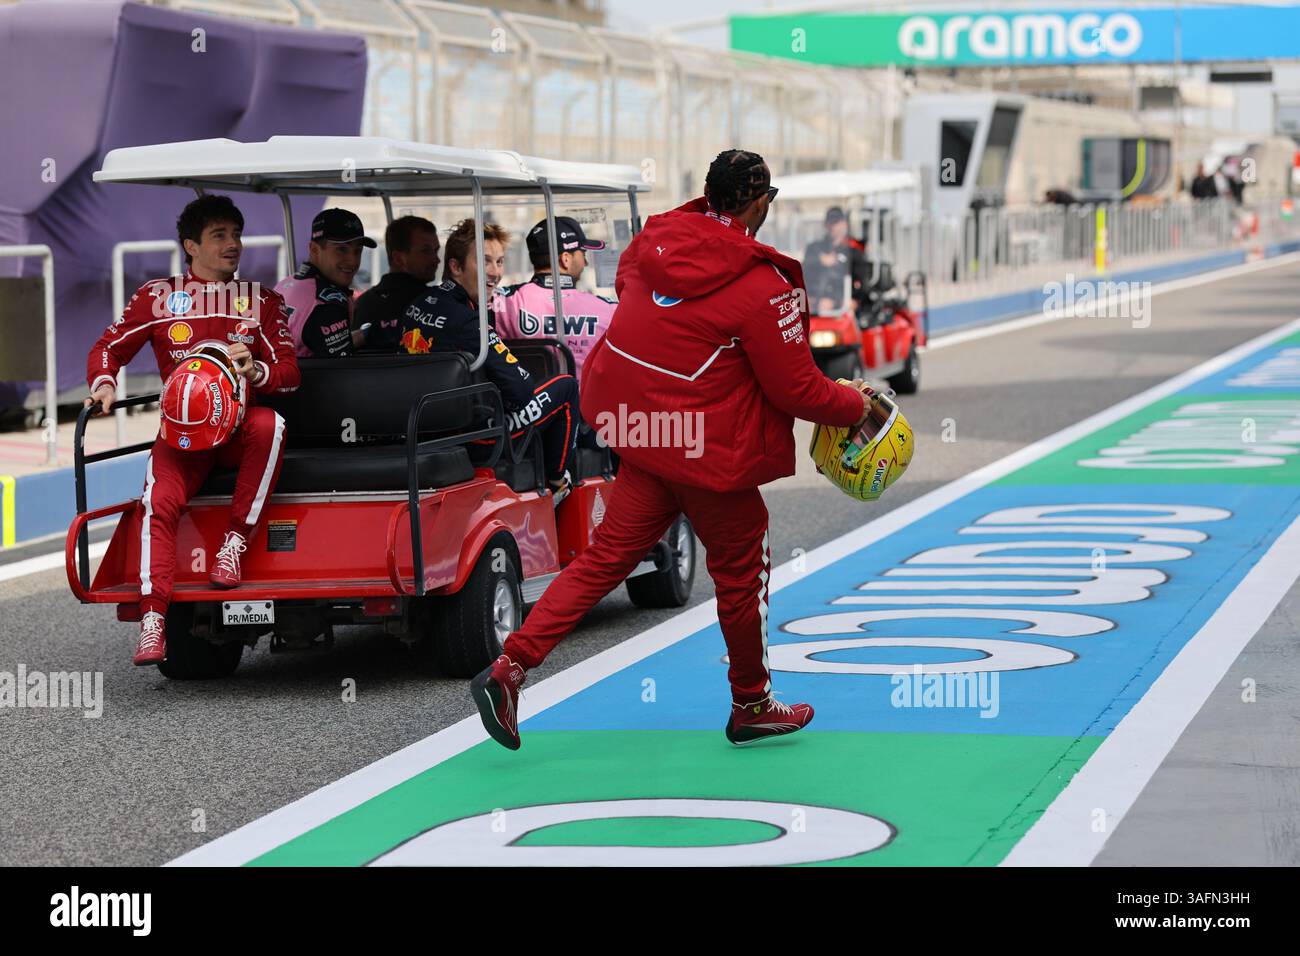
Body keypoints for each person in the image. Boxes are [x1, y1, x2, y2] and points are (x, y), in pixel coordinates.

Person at [471, 148, 873, 751]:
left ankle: (509, 669)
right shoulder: (763, 285)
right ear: (760, 202)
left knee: (601, 561)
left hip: (645, 437)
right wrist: (856, 406)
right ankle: (752, 702)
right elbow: (796, 390)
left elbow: (636, 292)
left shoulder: (653, 240)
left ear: (709, 194)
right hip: (708, 456)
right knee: (741, 572)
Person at [84, 195, 300, 667]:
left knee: (270, 423)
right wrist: (103, 386)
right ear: (190, 245)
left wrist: (258, 370)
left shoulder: (260, 301)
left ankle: (233, 546)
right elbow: (108, 347)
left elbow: (290, 373)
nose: (234, 245)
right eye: (220, 235)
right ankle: (153, 619)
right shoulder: (157, 297)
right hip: (181, 441)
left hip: (240, 435)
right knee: (156, 505)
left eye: (237, 234)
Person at [399, 218, 580, 501]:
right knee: (566, 387)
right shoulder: (471, 323)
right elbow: (522, 391)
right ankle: (558, 482)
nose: (495, 273)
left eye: (499, 262)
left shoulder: (417, 304)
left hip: (419, 430)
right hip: (476, 437)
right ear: (456, 267)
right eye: (485, 262)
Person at [493, 216, 616, 379]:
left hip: (526, 402)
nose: (585, 262)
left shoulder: (503, 304)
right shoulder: (608, 310)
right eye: (582, 253)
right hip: (584, 403)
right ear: (565, 259)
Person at [276, 207, 375, 357]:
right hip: (304, 380)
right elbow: (341, 368)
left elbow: (321, 342)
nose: (353, 261)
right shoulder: (327, 303)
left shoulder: (285, 284)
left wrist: (364, 334)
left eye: (358, 251)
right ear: (314, 250)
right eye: (342, 249)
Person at [353, 215, 440, 352]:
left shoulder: (362, 303)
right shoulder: (435, 302)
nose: (436, 259)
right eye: (426, 251)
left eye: (436, 251)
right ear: (399, 258)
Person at [802, 206, 869, 316]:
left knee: (826, 305)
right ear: (826, 224)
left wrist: (854, 300)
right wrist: (820, 261)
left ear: (844, 224)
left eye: (837, 222)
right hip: (816, 295)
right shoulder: (814, 249)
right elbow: (803, 268)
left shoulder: (854, 251)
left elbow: (863, 283)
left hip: (841, 298)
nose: (834, 226)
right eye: (831, 222)